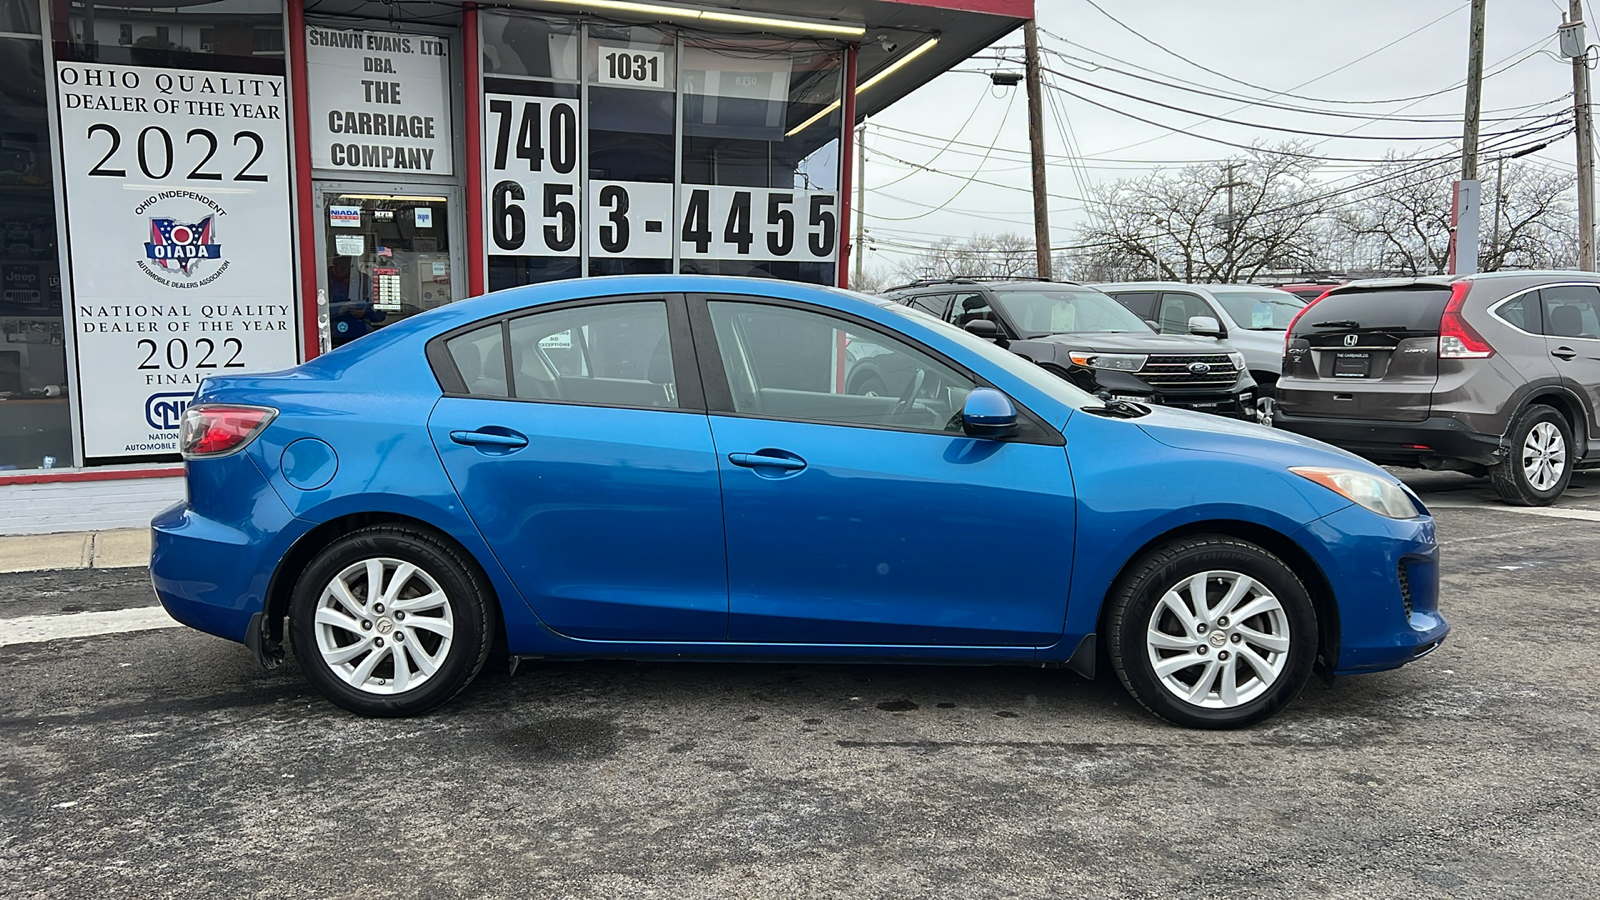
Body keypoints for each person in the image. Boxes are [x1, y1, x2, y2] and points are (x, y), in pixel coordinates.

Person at [327, 256, 385, 346]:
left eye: (348, 263)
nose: (345, 266)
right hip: (330, 336)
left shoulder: (365, 281)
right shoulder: (322, 280)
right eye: (341, 263)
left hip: (361, 338)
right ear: (334, 262)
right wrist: (339, 310)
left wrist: (365, 313)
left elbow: (380, 315)